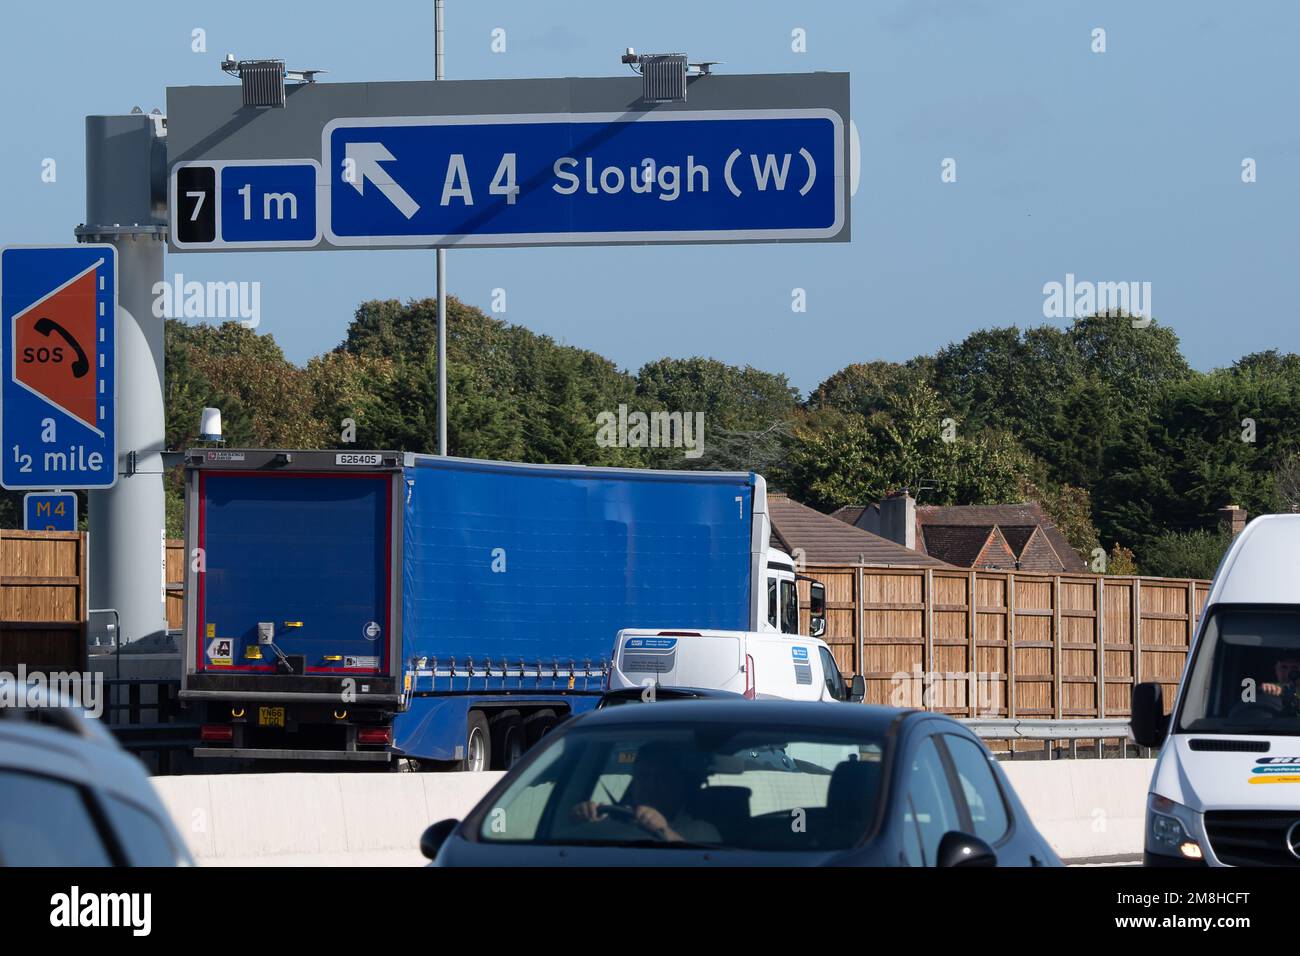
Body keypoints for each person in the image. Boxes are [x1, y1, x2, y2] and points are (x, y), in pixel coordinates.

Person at [570, 742, 720, 844]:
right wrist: (581, 823)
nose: (650, 785)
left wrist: (663, 831)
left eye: (661, 777)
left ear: (678, 785)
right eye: (643, 777)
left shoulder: (701, 831)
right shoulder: (609, 824)